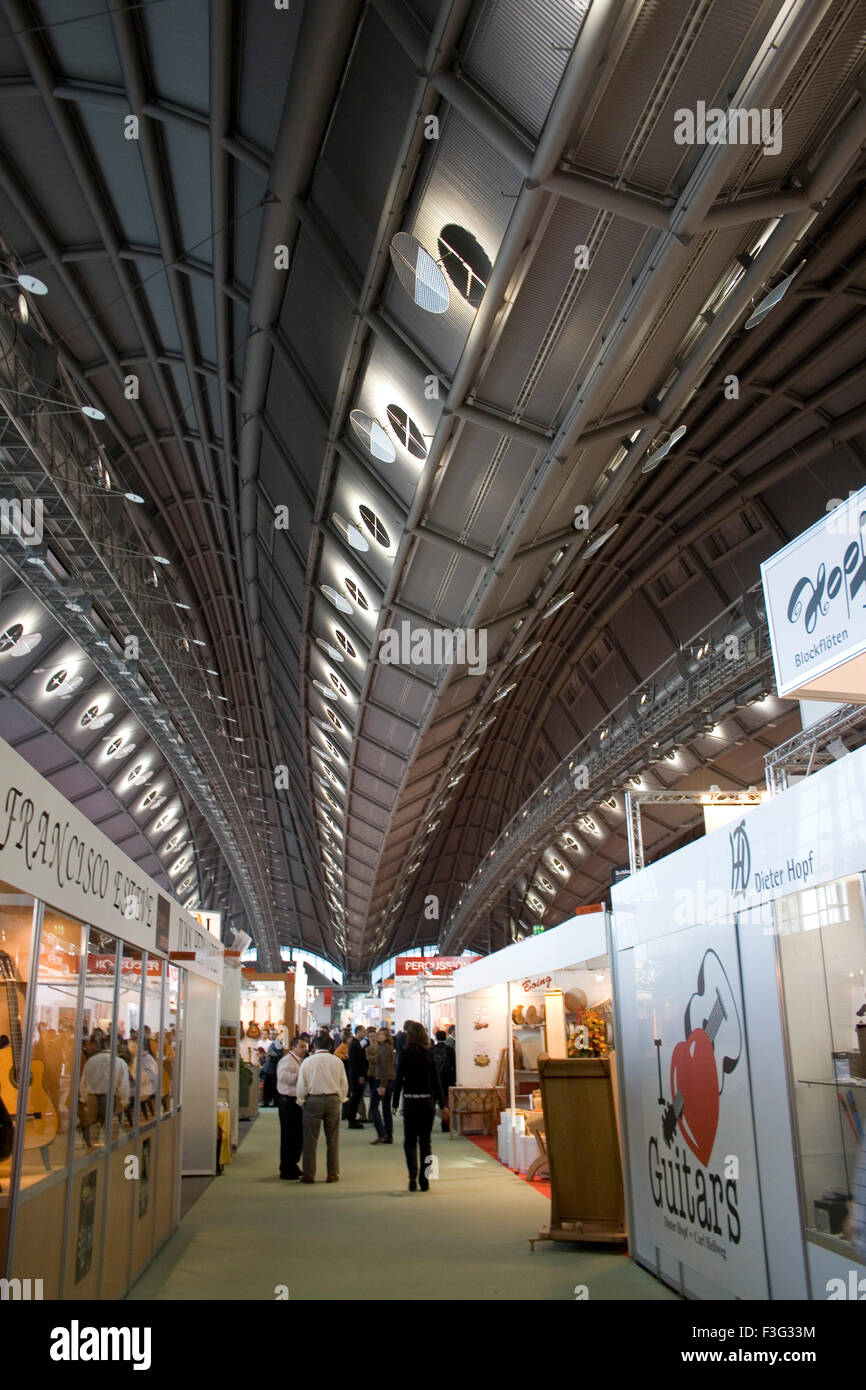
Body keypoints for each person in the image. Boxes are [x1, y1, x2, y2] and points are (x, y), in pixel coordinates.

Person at [392, 1020, 445, 1191]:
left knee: (409, 1141)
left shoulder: (405, 1054)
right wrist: (443, 1104)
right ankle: (425, 1179)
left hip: (410, 1101)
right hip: (427, 1102)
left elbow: (399, 1079)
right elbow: (436, 1081)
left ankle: (412, 1176)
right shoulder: (429, 1054)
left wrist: (394, 1102)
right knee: (426, 1142)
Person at [296, 1031, 348, 1183]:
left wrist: (301, 1099)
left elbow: (302, 1084)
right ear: (331, 1046)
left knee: (310, 1139)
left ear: (314, 1045)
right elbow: (344, 1083)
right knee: (333, 1139)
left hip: (313, 1100)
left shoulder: (307, 1061)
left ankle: (309, 1174)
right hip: (332, 1099)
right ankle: (332, 1173)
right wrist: (340, 1097)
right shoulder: (336, 1061)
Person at [80, 1037, 130, 1145]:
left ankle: (92, 1152)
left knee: (93, 1131)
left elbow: (83, 1082)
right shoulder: (120, 1062)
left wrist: (84, 1098)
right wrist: (124, 1101)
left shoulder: (91, 1061)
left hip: (92, 1098)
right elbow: (123, 1085)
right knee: (112, 1135)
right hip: (111, 1098)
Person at [276, 1036, 308, 1179]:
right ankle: (286, 1168)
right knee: (289, 1136)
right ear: (294, 1047)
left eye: (305, 1046)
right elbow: (284, 1077)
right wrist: (301, 1075)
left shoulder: (299, 1061)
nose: (304, 1049)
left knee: (297, 1136)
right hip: (287, 1102)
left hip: (296, 1102)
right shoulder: (286, 1060)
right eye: (301, 1046)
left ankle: (293, 1165)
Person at [370, 1027, 395, 1144]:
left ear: (386, 1036)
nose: (379, 1036)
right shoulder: (385, 1048)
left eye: (382, 1034)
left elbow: (384, 1068)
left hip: (382, 1080)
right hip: (386, 1080)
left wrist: (382, 1085)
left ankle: (382, 1133)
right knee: (385, 1108)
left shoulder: (385, 1049)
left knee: (374, 1107)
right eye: (378, 1034)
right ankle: (388, 1135)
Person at [432, 1030, 456, 1132]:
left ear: (436, 1037)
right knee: (446, 1103)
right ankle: (445, 1125)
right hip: (447, 1080)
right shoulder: (450, 1050)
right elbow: (454, 1066)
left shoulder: (431, 1049)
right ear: (445, 1037)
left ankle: (428, 1124)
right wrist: (453, 1079)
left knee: (431, 1103)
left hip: (434, 1080)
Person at [346, 1025, 368, 1128]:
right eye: (363, 1031)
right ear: (358, 1031)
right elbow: (356, 1063)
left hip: (356, 1075)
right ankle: (352, 1120)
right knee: (355, 1098)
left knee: (356, 1098)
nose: (365, 1033)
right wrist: (360, 1076)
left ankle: (353, 1119)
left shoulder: (356, 1043)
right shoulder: (354, 1044)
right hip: (356, 1076)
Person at [261, 1038, 283, 1107]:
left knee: (274, 1087)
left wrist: (271, 1055)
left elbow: (279, 1056)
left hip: (274, 1069)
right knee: (267, 1087)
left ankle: (276, 1101)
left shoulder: (277, 1043)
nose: (272, 1035)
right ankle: (266, 1101)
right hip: (268, 1068)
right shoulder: (271, 1044)